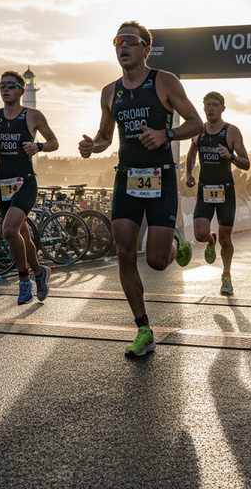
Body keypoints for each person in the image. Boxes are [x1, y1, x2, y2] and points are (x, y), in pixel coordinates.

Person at [79, 21, 204, 357]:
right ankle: (143, 329)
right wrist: (93, 146)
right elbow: (105, 136)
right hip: (127, 177)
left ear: (146, 49)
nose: (123, 46)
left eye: (130, 41)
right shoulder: (109, 92)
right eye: (118, 41)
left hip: (161, 177)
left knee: (157, 261)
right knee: (124, 251)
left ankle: (174, 240)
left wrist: (167, 134)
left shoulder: (164, 81)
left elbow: (196, 123)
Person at [0, 70, 59, 305]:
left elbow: (54, 142)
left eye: (10, 86)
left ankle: (24, 281)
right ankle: (40, 273)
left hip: (25, 182)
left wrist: (39, 147)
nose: (5, 89)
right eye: (1, 85)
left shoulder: (32, 116)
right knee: (21, 236)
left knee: (9, 230)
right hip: (3, 184)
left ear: (22, 91)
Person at [184, 91, 250, 296]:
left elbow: (246, 163)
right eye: (207, 105)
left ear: (223, 108)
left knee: (226, 239)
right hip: (205, 189)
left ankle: (226, 275)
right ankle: (210, 241)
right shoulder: (198, 130)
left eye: (214, 105)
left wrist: (230, 156)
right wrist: (188, 173)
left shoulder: (231, 132)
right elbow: (191, 153)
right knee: (199, 234)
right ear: (204, 108)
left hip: (225, 191)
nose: (210, 108)